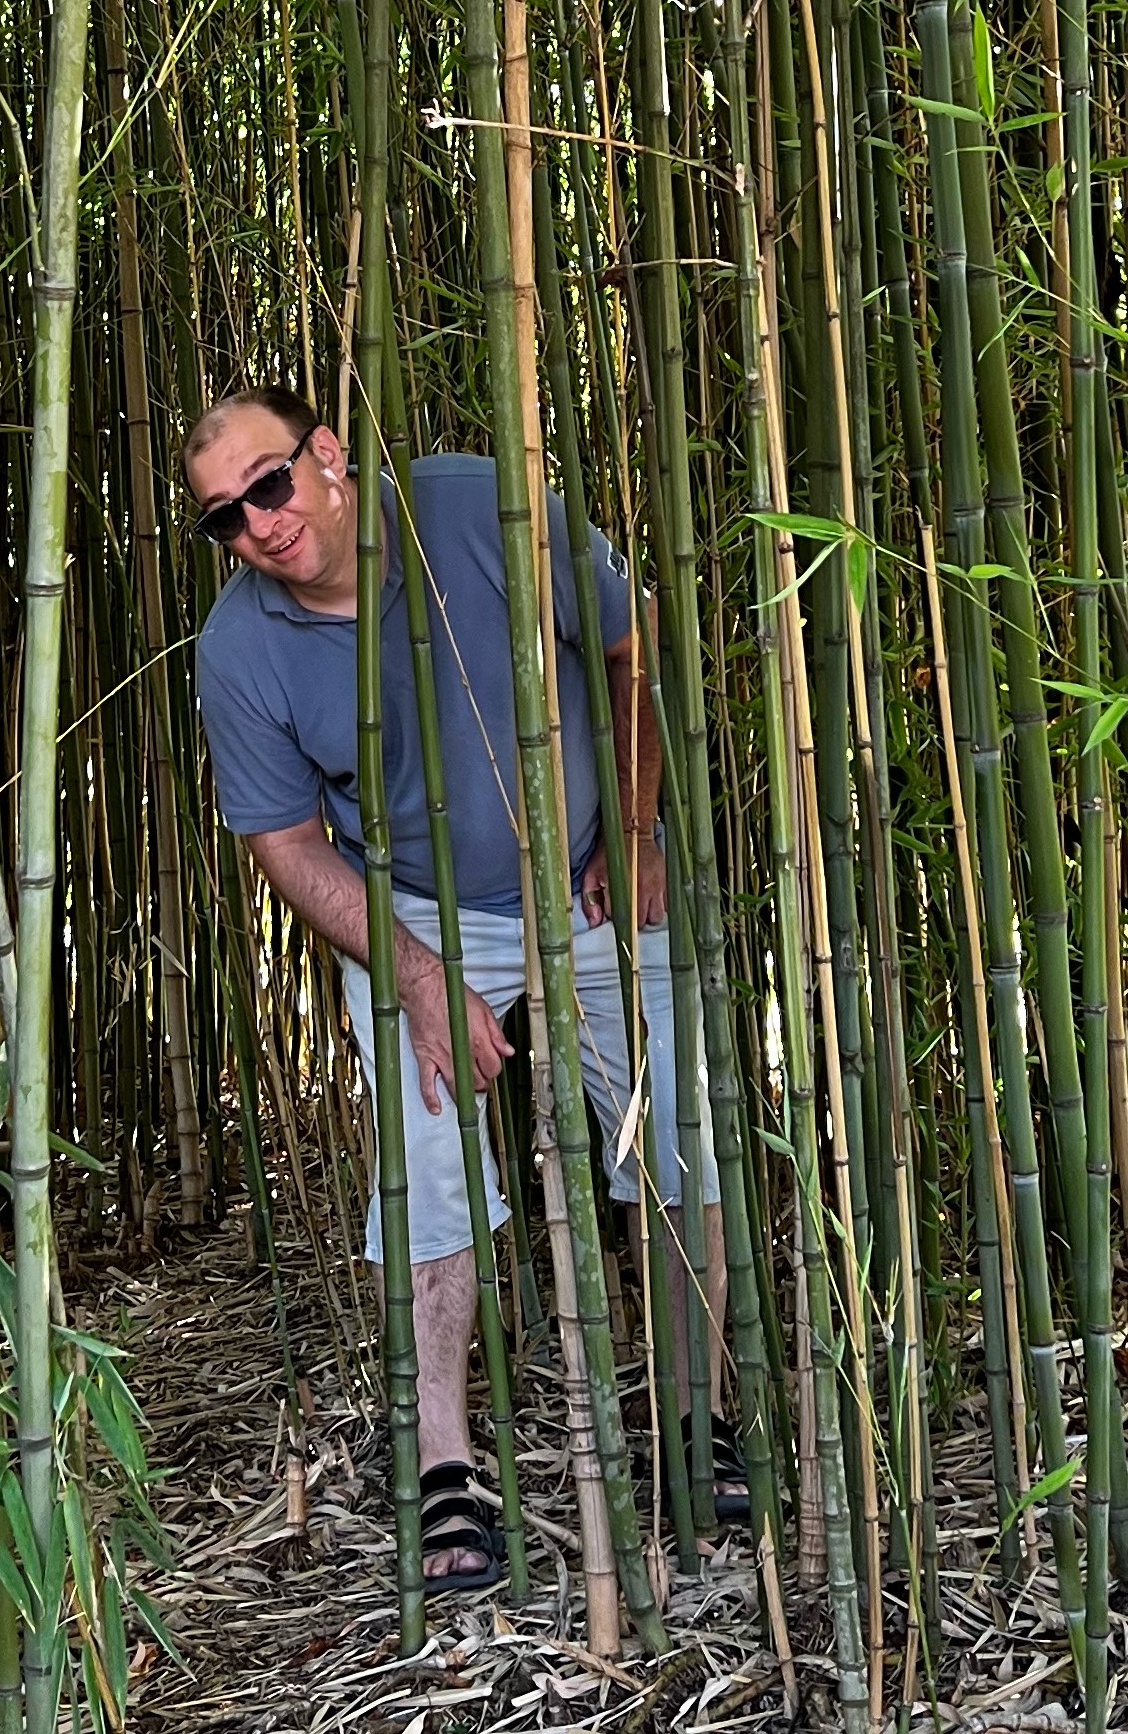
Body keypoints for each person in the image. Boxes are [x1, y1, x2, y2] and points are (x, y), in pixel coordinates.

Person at [184, 382, 733, 1598]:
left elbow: (629, 640)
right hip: (419, 908)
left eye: (269, 485)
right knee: (423, 1151)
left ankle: (700, 1419)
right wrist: (418, 973)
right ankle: (446, 1465)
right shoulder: (240, 649)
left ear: (326, 453)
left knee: (677, 1125)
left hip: (591, 859)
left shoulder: (476, 507)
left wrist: (636, 828)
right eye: (225, 518)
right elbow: (286, 844)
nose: (259, 526)